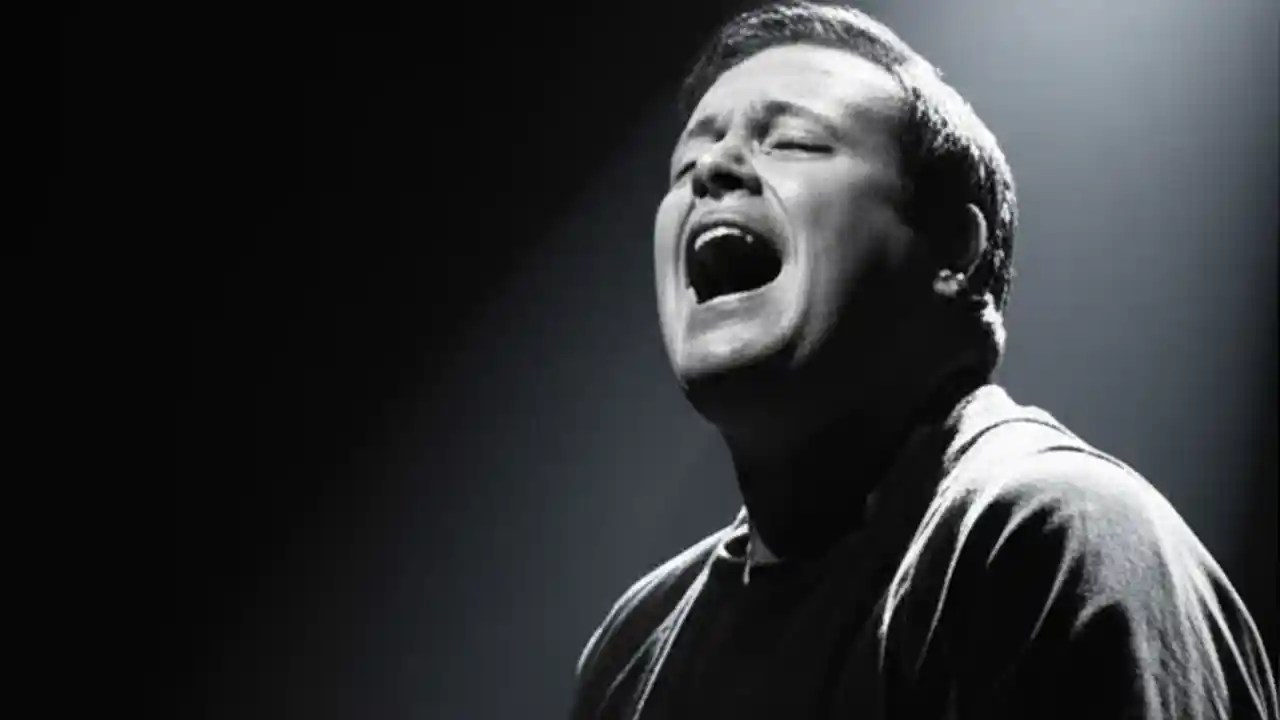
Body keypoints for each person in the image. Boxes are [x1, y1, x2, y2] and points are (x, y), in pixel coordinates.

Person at [570, 2, 1278, 719]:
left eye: (792, 143)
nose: (712, 170)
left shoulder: (1052, 539)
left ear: (954, 252)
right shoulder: (634, 649)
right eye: (686, 161)